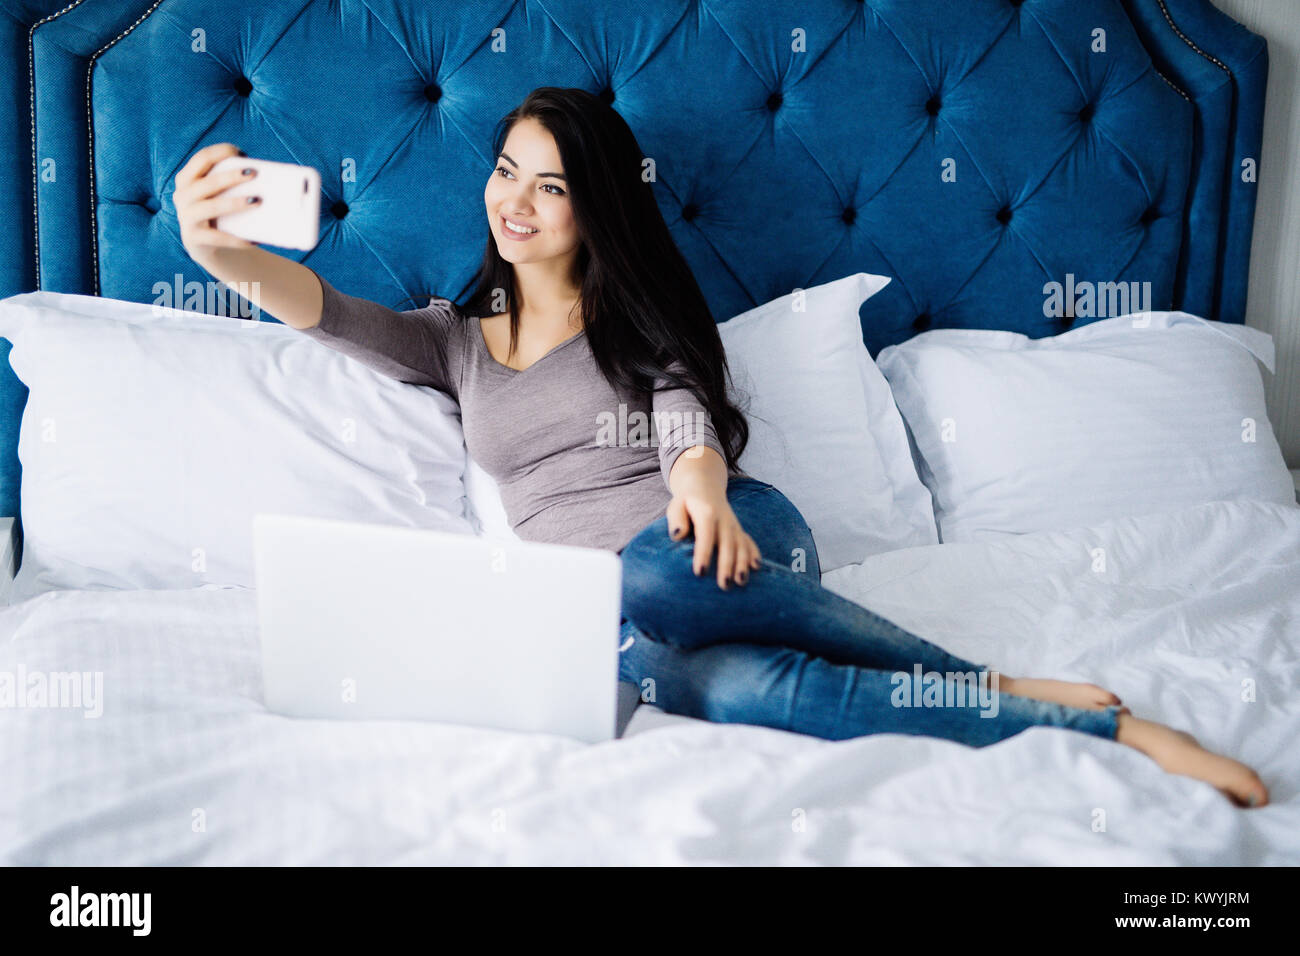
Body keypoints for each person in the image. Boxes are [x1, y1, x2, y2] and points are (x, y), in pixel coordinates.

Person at [173, 87, 1268, 809]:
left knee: (652, 567)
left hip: (729, 545)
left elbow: (685, 409)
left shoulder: (634, 318)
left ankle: (1007, 686)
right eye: (509, 169)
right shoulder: (452, 342)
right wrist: (213, 250)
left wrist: (702, 493)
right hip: (606, 621)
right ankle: (1068, 719)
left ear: (593, 208)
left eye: (551, 185)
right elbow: (319, 307)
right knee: (746, 692)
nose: (516, 199)